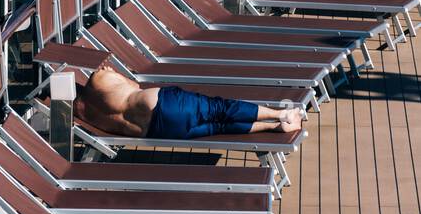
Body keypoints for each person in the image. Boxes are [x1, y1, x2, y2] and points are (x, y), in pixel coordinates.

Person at [74, 59, 303, 140]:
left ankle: (272, 127)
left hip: (157, 132)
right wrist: (111, 73)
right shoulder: (97, 79)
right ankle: (280, 114)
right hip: (161, 105)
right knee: (219, 109)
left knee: (219, 127)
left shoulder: (82, 113)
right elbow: (134, 86)